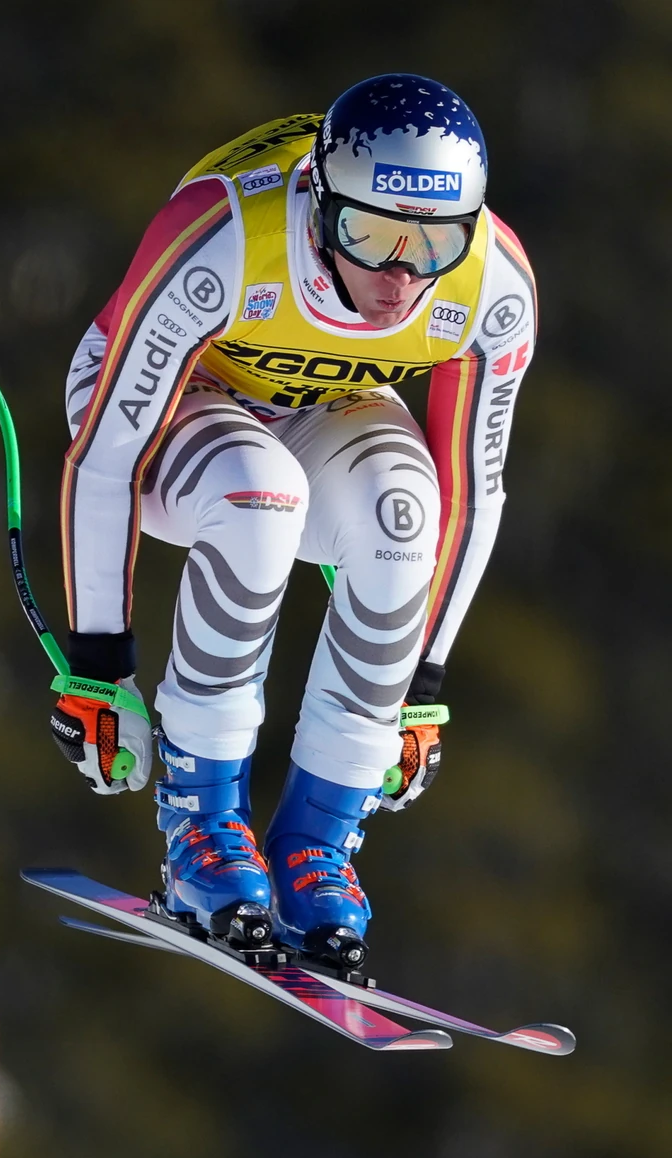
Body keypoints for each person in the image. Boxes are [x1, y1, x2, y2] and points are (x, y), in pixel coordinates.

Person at [48, 74, 536, 966]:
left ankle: (318, 839)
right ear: (319, 200)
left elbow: (474, 490)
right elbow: (108, 452)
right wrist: (98, 666)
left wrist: (423, 686)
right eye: (372, 235)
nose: (399, 276)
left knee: (404, 513)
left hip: (322, 401)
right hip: (165, 397)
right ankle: (201, 826)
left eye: (433, 243)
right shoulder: (229, 237)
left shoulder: (491, 287)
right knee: (257, 495)